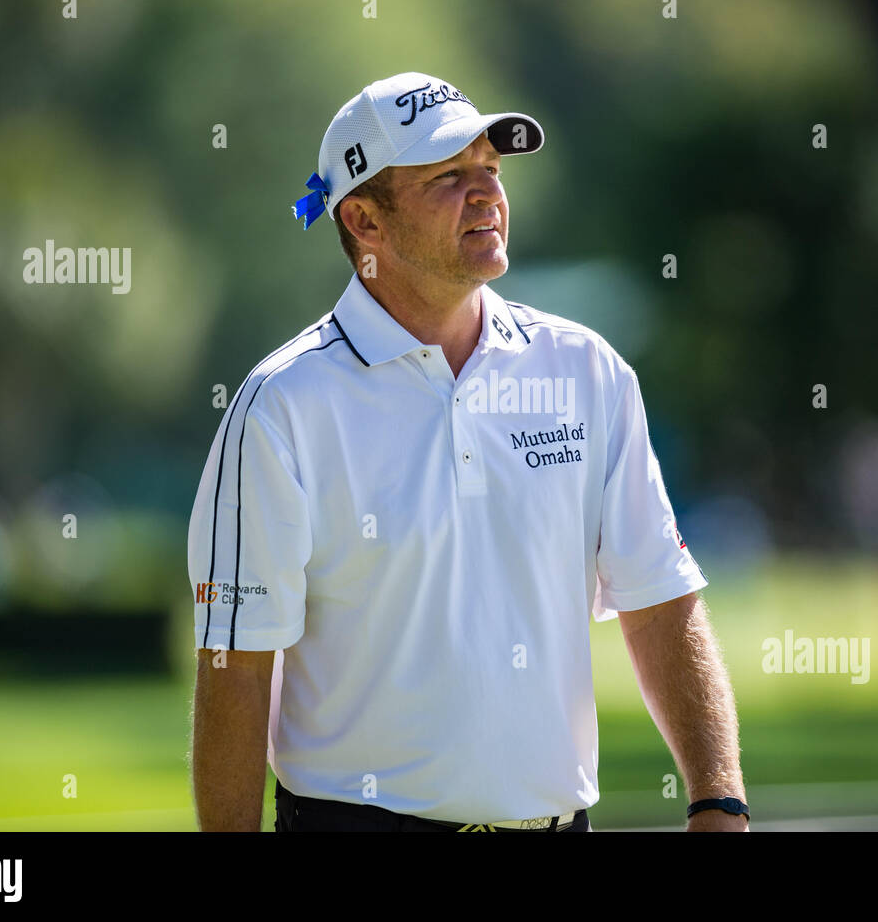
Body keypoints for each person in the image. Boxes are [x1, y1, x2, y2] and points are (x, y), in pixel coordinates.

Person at [188, 72, 749, 832]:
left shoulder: (587, 370)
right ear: (364, 220)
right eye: (449, 176)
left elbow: (658, 599)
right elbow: (237, 670)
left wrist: (718, 800)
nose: (486, 193)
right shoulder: (281, 406)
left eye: (490, 168)